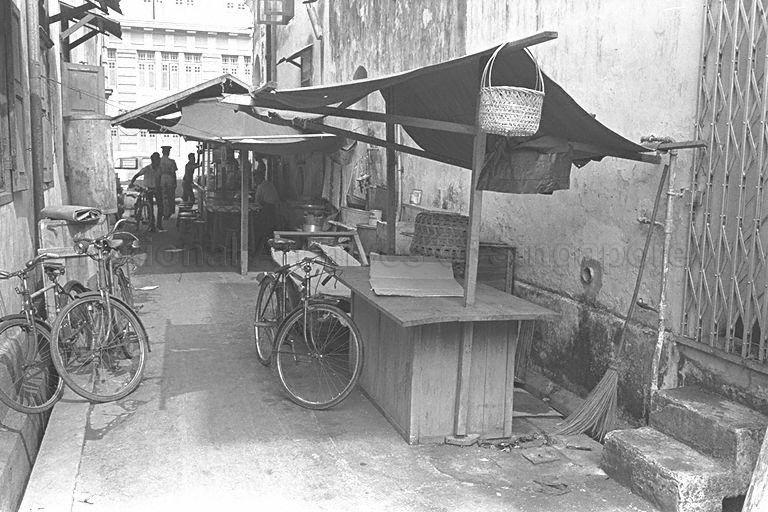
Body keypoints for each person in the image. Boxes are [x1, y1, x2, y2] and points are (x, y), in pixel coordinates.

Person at [129, 152, 163, 231]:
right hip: (148, 189)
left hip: (157, 189)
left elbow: (161, 179)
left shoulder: (160, 169)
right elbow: (136, 175)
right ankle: (152, 225)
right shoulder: (147, 168)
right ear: (153, 160)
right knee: (150, 207)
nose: (158, 162)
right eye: (157, 160)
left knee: (160, 207)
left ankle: (159, 224)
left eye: (158, 160)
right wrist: (131, 183)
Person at [253, 160, 280, 251]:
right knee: (268, 230)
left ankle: (258, 246)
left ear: (260, 177)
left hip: (268, 211)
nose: (255, 180)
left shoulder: (261, 186)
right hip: (274, 211)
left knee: (259, 227)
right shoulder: (268, 184)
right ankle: (265, 247)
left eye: (256, 178)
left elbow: (258, 202)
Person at [159, 145, 178, 220]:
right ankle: (169, 212)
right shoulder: (172, 161)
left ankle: (164, 212)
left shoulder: (159, 161)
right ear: (168, 152)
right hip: (170, 180)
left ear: (162, 152)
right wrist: (175, 182)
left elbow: (157, 173)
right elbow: (174, 173)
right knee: (170, 197)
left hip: (162, 179)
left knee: (163, 197)